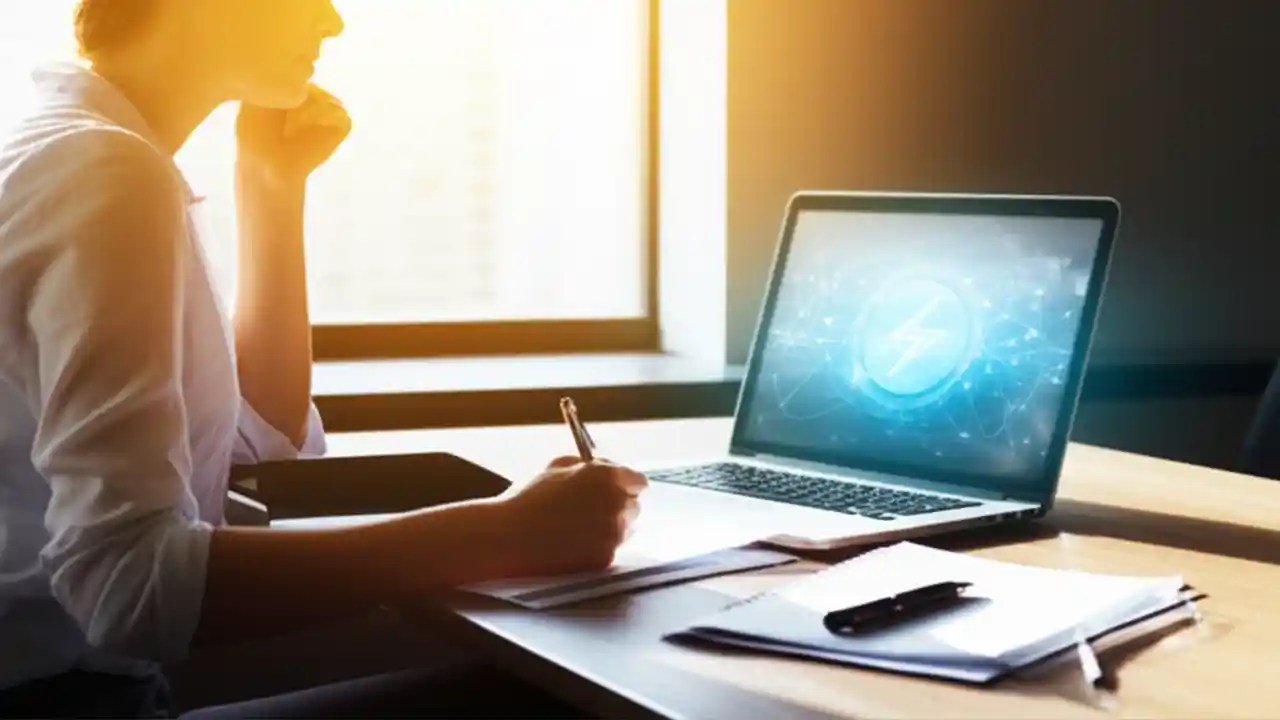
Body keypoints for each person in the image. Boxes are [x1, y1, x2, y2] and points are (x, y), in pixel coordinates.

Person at [0, 0, 648, 716]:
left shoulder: (99, 153)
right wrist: (509, 531)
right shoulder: (104, 169)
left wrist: (272, 188)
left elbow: (254, 450)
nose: (333, 23)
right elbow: (129, 587)